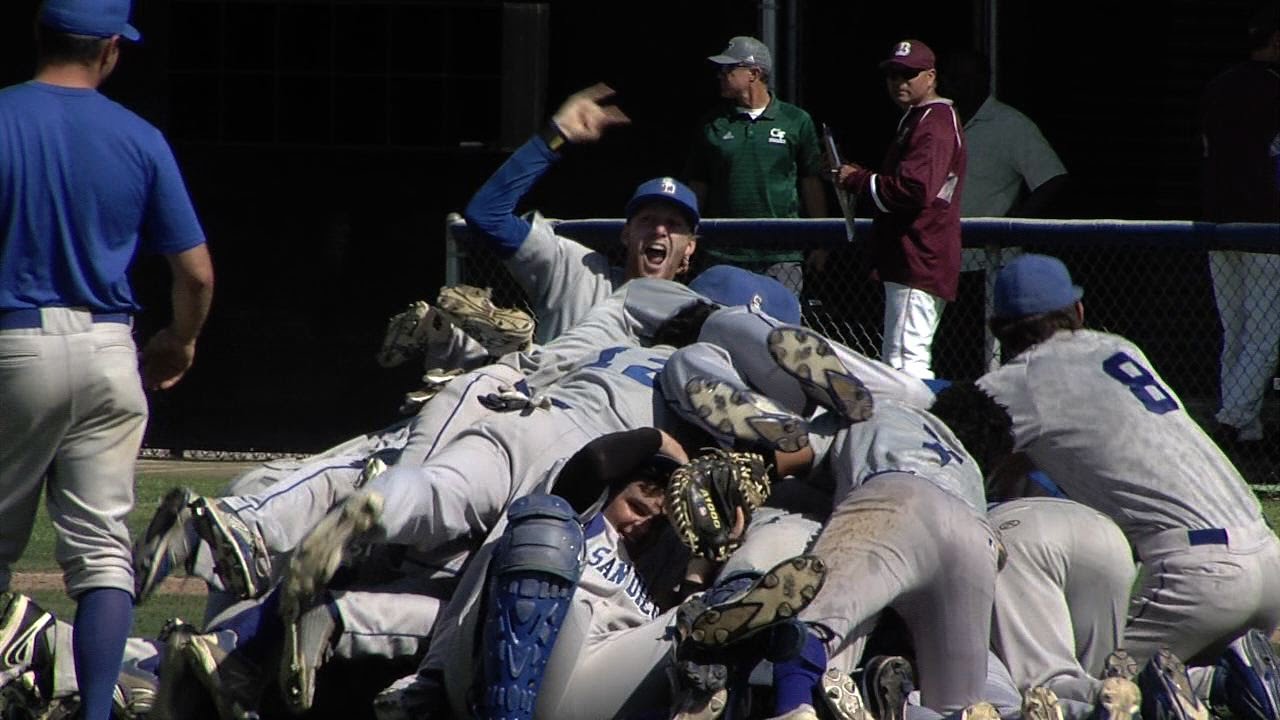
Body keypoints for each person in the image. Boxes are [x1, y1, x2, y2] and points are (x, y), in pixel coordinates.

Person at [0, 2, 215, 719]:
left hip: (13, 345)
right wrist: (179, 341)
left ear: (38, 34)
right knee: (101, 555)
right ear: (112, 50)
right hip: (107, 348)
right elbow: (196, 275)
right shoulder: (140, 137)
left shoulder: (3, 117)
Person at [976, 253, 1280, 719]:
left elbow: (984, 449)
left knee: (1093, 693)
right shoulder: (1120, 348)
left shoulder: (1015, 383)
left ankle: (1218, 684)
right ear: (1077, 313)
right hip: (1267, 553)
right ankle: (1233, 677)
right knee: (1166, 673)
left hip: (1195, 576)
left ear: (998, 329)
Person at [835, 39, 966, 380]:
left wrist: (858, 180)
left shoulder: (935, 120)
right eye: (893, 74)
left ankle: (916, 431)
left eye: (909, 74)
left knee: (906, 364)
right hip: (912, 254)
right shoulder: (920, 117)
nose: (899, 82)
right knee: (902, 359)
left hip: (919, 254)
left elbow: (914, 190)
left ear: (931, 76)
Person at [685, 35, 828, 296]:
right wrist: (687, 234)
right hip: (723, 252)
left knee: (778, 330)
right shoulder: (712, 124)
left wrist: (821, 240)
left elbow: (810, 181)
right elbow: (698, 185)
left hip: (781, 252)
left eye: (728, 69)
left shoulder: (796, 120)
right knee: (723, 327)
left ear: (754, 73)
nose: (720, 75)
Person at [1201, 3, 1280, 451]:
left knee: (1238, 328)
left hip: (1220, 221)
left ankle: (1246, 427)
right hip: (1265, 226)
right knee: (1266, 331)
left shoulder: (1218, 86)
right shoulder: (1272, 89)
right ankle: (1233, 420)